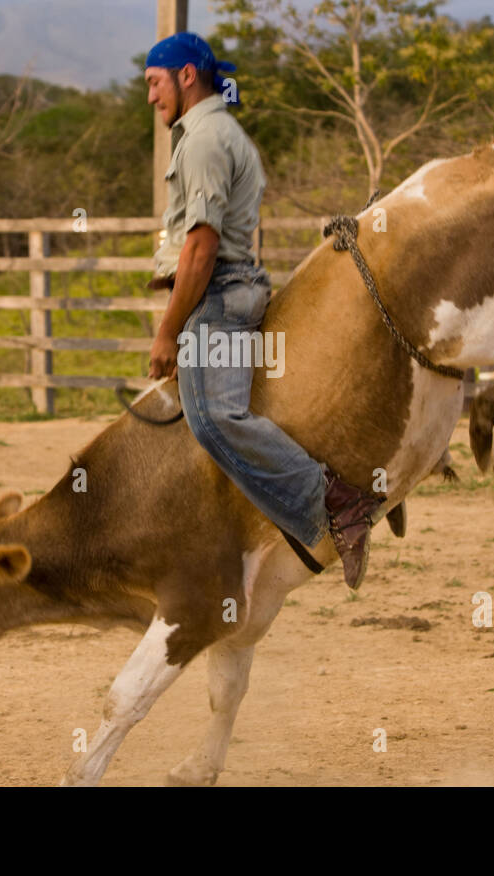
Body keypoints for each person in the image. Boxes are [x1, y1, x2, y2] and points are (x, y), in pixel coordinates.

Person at [144, 32, 384, 590]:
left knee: (216, 419)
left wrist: (167, 332)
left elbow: (200, 247)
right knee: (207, 420)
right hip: (226, 287)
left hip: (220, 291)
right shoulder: (213, 132)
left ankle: (338, 506)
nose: (150, 97)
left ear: (185, 76)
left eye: (155, 83)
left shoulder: (204, 140)